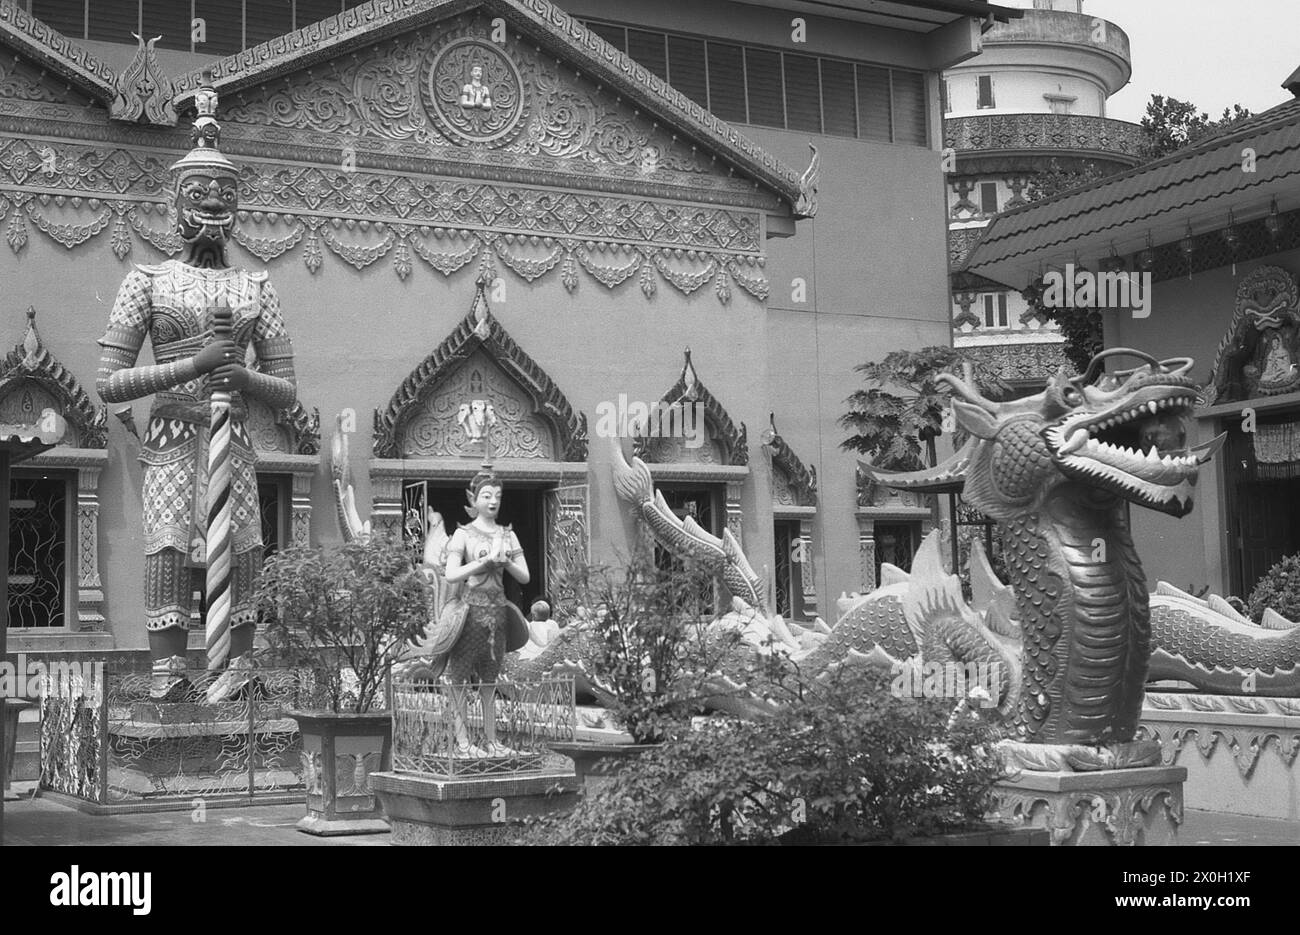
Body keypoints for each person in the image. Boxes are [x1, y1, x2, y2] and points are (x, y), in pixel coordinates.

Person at [96, 80, 296, 702]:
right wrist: (191, 366)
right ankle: (167, 670)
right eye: (200, 193)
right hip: (172, 432)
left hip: (231, 435)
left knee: (241, 548)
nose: (213, 204)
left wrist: (239, 376)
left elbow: (287, 391)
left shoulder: (254, 286)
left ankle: (236, 668)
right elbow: (110, 383)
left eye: (225, 195)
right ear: (175, 201)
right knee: (167, 545)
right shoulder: (147, 280)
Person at [421, 471, 529, 756]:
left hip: (498, 611)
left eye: (497, 496)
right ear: (473, 500)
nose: (493, 501)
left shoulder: (507, 534)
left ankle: (492, 741)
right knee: (459, 678)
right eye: (486, 496)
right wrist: (482, 563)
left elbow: (525, 576)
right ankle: (464, 742)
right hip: (470, 612)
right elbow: (453, 574)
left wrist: (505, 562)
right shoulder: (463, 534)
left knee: (490, 681)